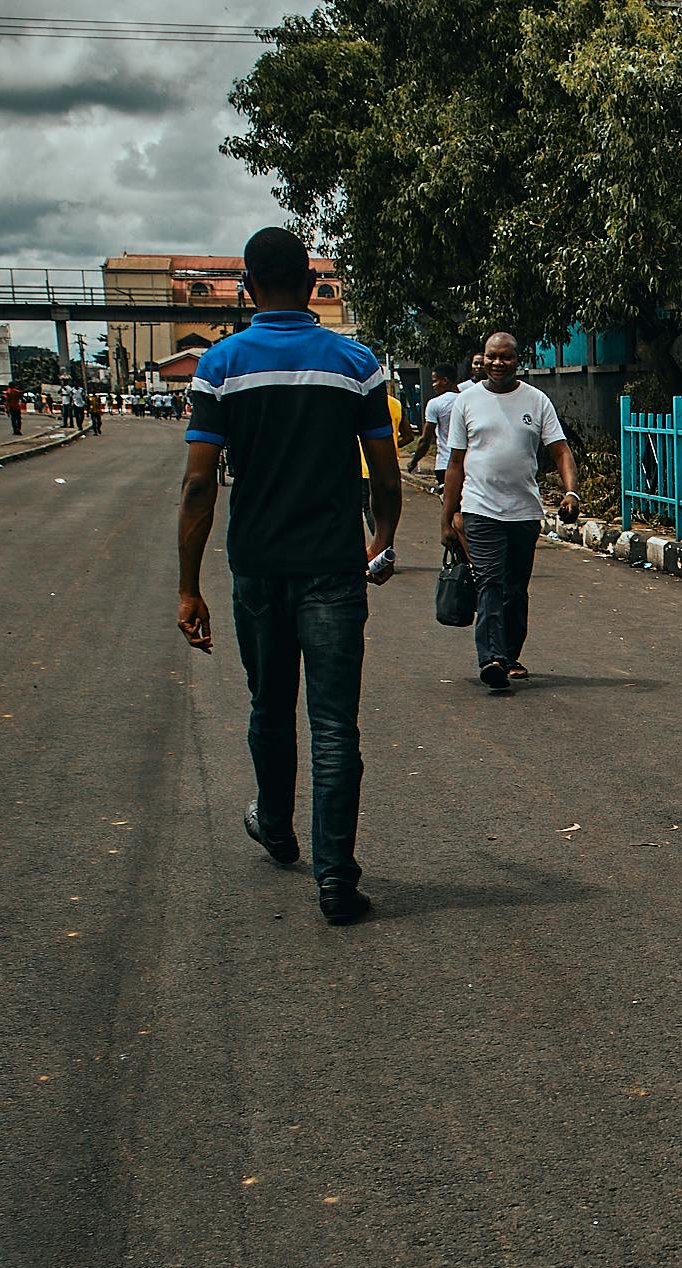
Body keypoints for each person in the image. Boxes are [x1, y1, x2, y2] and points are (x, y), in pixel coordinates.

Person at [173, 224, 400, 926]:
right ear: (311, 287)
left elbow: (198, 485)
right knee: (335, 726)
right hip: (333, 569)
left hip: (258, 570)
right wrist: (382, 538)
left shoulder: (219, 366)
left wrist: (188, 586)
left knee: (268, 706)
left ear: (245, 288)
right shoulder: (355, 363)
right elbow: (385, 474)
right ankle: (336, 881)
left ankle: (275, 824)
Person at [437, 331, 576, 692]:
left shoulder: (537, 400)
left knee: (516, 588)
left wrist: (571, 491)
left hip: (524, 512)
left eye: (506, 357)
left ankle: (510, 655)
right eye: (492, 357)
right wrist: (448, 516)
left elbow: (559, 449)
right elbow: (455, 463)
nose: (498, 363)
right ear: (481, 359)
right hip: (480, 509)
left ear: (518, 360)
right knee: (490, 582)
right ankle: (491, 658)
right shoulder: (466, 401)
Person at [406, 362, 459, 476]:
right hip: (466, 465)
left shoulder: (435, 403)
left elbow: (426, 440)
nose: (433, 385)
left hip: (444, 465)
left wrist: (414, 461)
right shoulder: (466, 400)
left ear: (445, 381)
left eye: (435, 381)